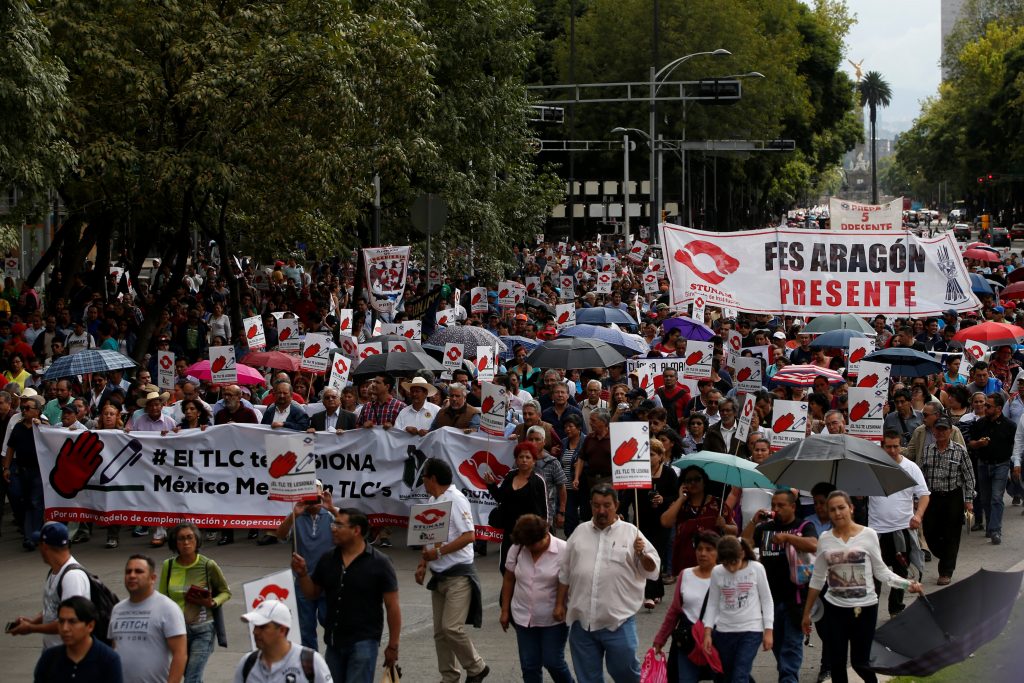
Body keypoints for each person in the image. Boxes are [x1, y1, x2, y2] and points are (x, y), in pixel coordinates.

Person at [801, 491, 925, 683]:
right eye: (832, 509)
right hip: (834, 609)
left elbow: (881, 571)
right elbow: (817, 579)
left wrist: (907, 584)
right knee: (837, 664)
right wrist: (807, 613)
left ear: (851, 508)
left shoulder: (869, 535)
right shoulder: (824, 539)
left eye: (841, 507)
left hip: (864, 609)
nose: (837, 513)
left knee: (860, 662)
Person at [555, 483, 660, 683]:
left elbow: (652, 571)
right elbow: (565, 572)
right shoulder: (579, 532)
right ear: (590, 505)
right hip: (582, 622)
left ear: (617, 505)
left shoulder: (632, 533)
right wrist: (559, 604)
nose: (601, 510)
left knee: (627, 674)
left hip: (618, 622)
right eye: (596, 505)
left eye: (606, 505)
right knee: (588, 678)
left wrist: (642, 553)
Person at [292, 508, 400, 683]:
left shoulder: (380, 563)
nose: (333, 528)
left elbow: (392, 606)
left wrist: (393, 646)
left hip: (363, 643)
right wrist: (303, 574)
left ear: (356, 530)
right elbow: (312, 594)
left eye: (339, 525)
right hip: (334, 644)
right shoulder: (328, 559)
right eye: (334, 524)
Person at [415, 458, 490, 683]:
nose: (423, 483)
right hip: (439, 576)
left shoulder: (456, 500)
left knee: (452, 628)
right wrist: (422, 564)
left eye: (425, 478)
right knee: (440, 633)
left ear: (433, 478)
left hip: (459, 575)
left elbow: (469, 536)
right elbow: (427, 538)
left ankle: (477, 667)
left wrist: (438, 554)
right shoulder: (431, 500)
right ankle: (449, 676)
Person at [741, 490, 818, 683]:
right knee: (779, 646)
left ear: (792, 506)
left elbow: (813, 544)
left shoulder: (803, 526)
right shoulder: (764, 528)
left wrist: (788, 538)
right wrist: (753, 522)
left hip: (795, 598)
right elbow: (743, 545)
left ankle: (788, 679)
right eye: (773, 504)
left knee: (791, 646)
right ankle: (787, 674)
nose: (775, 509)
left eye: (781, 505)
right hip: (769, 598)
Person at [498, 514, 573, 683]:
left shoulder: (564, 550)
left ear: (545, 534)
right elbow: (509, 578)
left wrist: (561, 605)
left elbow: (568, 580)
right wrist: (504, 610)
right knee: (529, 664)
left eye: (534, 544)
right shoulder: (517, 549)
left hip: (554, 619)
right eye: (527, 545)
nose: (530, 548)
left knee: (553, 662)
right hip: (523, 617)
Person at [158, 522, 231, 683]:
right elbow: (162, 599)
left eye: (189, 538)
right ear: (174, 543)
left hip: (203, 629)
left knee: (191, 677)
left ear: (197, 540)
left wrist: (213, 602)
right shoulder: (168, 566)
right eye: (181, 539)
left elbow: (226, 592)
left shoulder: (207, 565)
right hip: (177, 631)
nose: (186, 543)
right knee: (193, 677)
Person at [868, 431, 930, 616]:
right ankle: (870, 612)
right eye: (889, 447)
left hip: (901, 529)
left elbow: (924, 495)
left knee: (900, 571)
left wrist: (918, 516)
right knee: (874, 574)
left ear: (901, 445)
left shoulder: (910, 468)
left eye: (896, 446)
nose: (893, 450)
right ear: (882, 446)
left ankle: (895, 609)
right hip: (876, 531)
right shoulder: (873, 467)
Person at [7, 522, 92, 651]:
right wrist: (32, 621)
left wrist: (31, 628)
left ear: (45, 546)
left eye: (39, 543)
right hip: (53, 653)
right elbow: (54, 609)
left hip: (69, 656)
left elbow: (70, 622)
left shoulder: (72, 577)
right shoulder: (55, 572)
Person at [271, 482, 336, 649]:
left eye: (316, 496)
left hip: (328, 580)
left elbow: (354, 530)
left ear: (323, 494)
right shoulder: (297, 515)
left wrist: (331, 508)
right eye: (309, 497)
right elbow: (280, 535)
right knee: (305, 628)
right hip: (303, 578)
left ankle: (333, 659)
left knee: (330, 622)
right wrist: (294, 513)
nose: (312, 501)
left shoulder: (331, 515)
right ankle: (311, 664)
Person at [701, 536, 774, 683]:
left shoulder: (756, 569)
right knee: (728, 674)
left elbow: (766, 600)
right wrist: (707, 632)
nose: (731, 568)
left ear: (742, 554)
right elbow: (712, 604)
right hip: (724, 631)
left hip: (751, 630)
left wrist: (768, 630)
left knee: (740, 673)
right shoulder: (717, 572)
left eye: (734, 562)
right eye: (726, 564)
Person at [652, 530, 719, 683]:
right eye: (699, 549)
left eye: (709, 549)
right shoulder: (685, 575)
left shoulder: (725, 577)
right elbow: (674, 611)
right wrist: (660, 639)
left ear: (718, 552)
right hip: (688, 640)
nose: (703, 553)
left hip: (717, 641)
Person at [109, 555, 187, 683]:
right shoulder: (117, 609)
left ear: (152, 578)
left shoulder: (167, 608)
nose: (132, 575)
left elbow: (180, 654)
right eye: (128, 571)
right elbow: (115, 648)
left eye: (139, 571)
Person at [918, 415, 975, 585]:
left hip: (953, 497)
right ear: (933, 431)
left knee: (951, 535)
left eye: (944, 429)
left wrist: (969, 500)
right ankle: (946, 555)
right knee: (930, 532)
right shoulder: (928, 450)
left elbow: (969, 477)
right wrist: (917, 496)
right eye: (938, 429)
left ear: (950, 431)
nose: (941, 432)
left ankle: (946, 571)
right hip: (932, 497)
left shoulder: (959, 451)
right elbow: (921, 475)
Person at [623, 439, 678, 608]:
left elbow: (676, 497)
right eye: (646, 454)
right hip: (642, 519)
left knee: (657, 555)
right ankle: (652, 592)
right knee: (643, 553)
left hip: (662, 521)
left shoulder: (669, 473)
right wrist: (622, 510)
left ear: (661, 456)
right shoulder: (638, 472)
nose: (648, 457)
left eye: (652, 454)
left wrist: (663, 499)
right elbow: (628, 494)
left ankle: (651, 593)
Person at [485, 441, 548, 573]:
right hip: (509, 531)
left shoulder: (537, 481)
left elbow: (543, 511)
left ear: (534, 461)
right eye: (521, 457)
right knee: (506, 567)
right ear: (516, 459)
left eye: (528, 457)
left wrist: (543, 534)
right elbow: (499, 497)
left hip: (529, 532)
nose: (524, 460)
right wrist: (491, 485)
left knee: (526, 569)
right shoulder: (510, 476)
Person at [661, 465, 737, 574]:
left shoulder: (717, 504)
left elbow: (735, 530)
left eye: (697, 479)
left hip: (713, 564)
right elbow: (665, 522)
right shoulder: (680, 505)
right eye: (688, 480)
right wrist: (681, 498)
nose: (693, 483)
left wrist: (724, 526)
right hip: (685, 562)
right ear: (683, 484)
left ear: (704, 481)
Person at [234, 600, 332, 683]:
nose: (255, 632)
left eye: (262, 627)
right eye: (255, 626)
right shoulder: (247, 663)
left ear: (282, 630)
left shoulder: (311, 662)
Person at [34, 596, 123, 683]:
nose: (65, 628)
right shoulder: (49, 658)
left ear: (90, 626)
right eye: (61, 621)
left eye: (72, 622)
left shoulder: (108, 660)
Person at [967, 392, 1016, 545]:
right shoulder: (980, 424)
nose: (984, 407)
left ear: (999, 408)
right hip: (983, 464)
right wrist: (979, 444)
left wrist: (1014, 466)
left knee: (996, 498)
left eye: (988, 406)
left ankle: (995, 530)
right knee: (985, 499)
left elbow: (1015, 446)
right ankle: (989, 524)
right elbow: (970, 443)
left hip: (1001, 464)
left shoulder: (1010, 426)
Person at [2, 393, 45, 549]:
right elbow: (10, 448)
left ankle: (35, 534)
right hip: (22, 470)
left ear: (37, 411)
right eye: (23, 408)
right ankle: (28, 536)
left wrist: (42, 425)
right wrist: (6, 468)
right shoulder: (19, 426)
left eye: (28, 408)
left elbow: (53, 438)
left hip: (38, 471)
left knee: (35, 502)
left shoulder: (42, 425)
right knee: (25, 502)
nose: (24, 410)